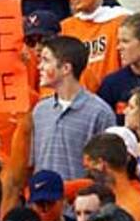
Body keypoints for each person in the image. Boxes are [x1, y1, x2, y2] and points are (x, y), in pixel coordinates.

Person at [31, 35, 115, 180]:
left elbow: (108, 170)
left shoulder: (100, 113)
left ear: (66, 68)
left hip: (83, 193)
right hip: (43, 194)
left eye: (46, 60)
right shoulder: (39, 111)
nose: (40, 67)